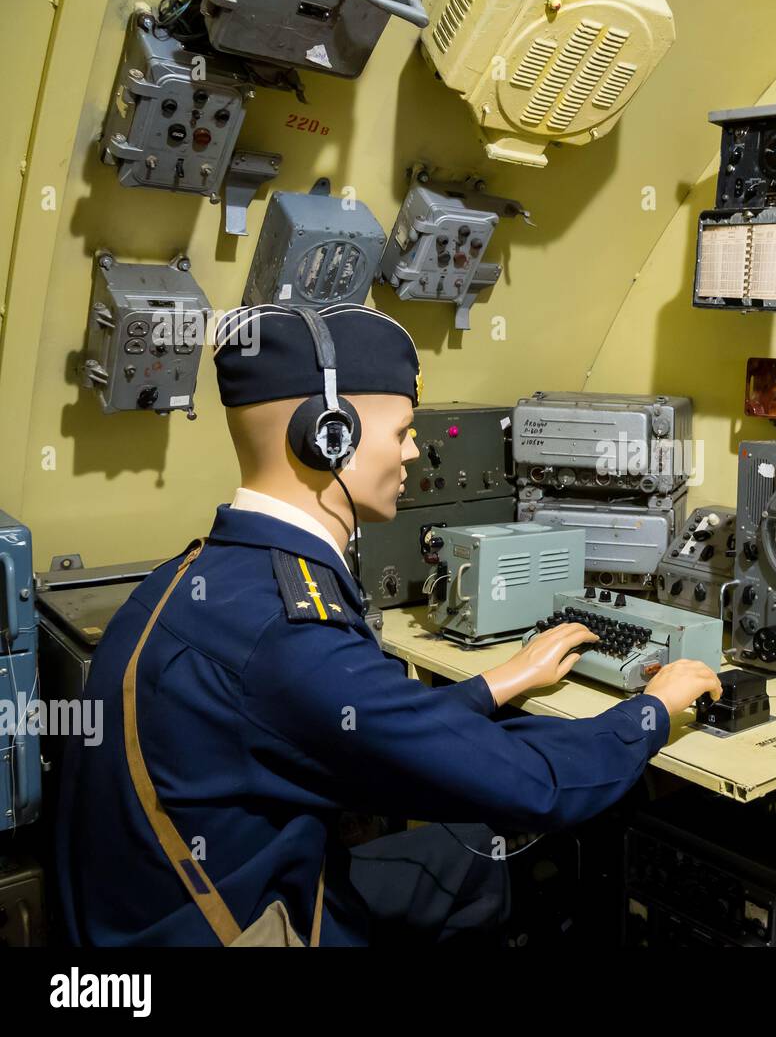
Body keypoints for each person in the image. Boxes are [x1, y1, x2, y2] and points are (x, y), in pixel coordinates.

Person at [56, 303, 721, 946]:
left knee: (468, 864)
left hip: (183, 906)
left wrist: (493, 686)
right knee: (498, 849)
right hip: (254, 920)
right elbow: (532, 785)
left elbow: (347, 723)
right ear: (329, 436)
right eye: (402, 431)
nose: (413, 452)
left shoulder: (198, 575)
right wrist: (651, 711)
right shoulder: (289, 632)